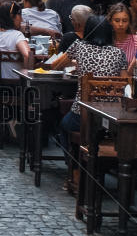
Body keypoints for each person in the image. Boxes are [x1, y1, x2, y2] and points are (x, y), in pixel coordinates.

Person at [51, 15, 128, 155]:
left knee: (63, 126)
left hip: (82, 115)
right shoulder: (119, 53)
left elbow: (55, 66)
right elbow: (125, 84)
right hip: (110, 116)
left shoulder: (79, 46)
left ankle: (74, 168)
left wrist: (75, 63)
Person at [0, 0, 32, 81]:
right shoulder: (17, 35)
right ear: (13, 16)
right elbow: (28, 55)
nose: (22, 20)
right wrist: (25, 72)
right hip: (17, 85)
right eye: (20, 16)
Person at [107, 2, 137, 67]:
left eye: (124, 21)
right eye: (117, 20)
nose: (121, 24)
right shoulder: (105, 41)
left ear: (129, 22)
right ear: (110, 22)